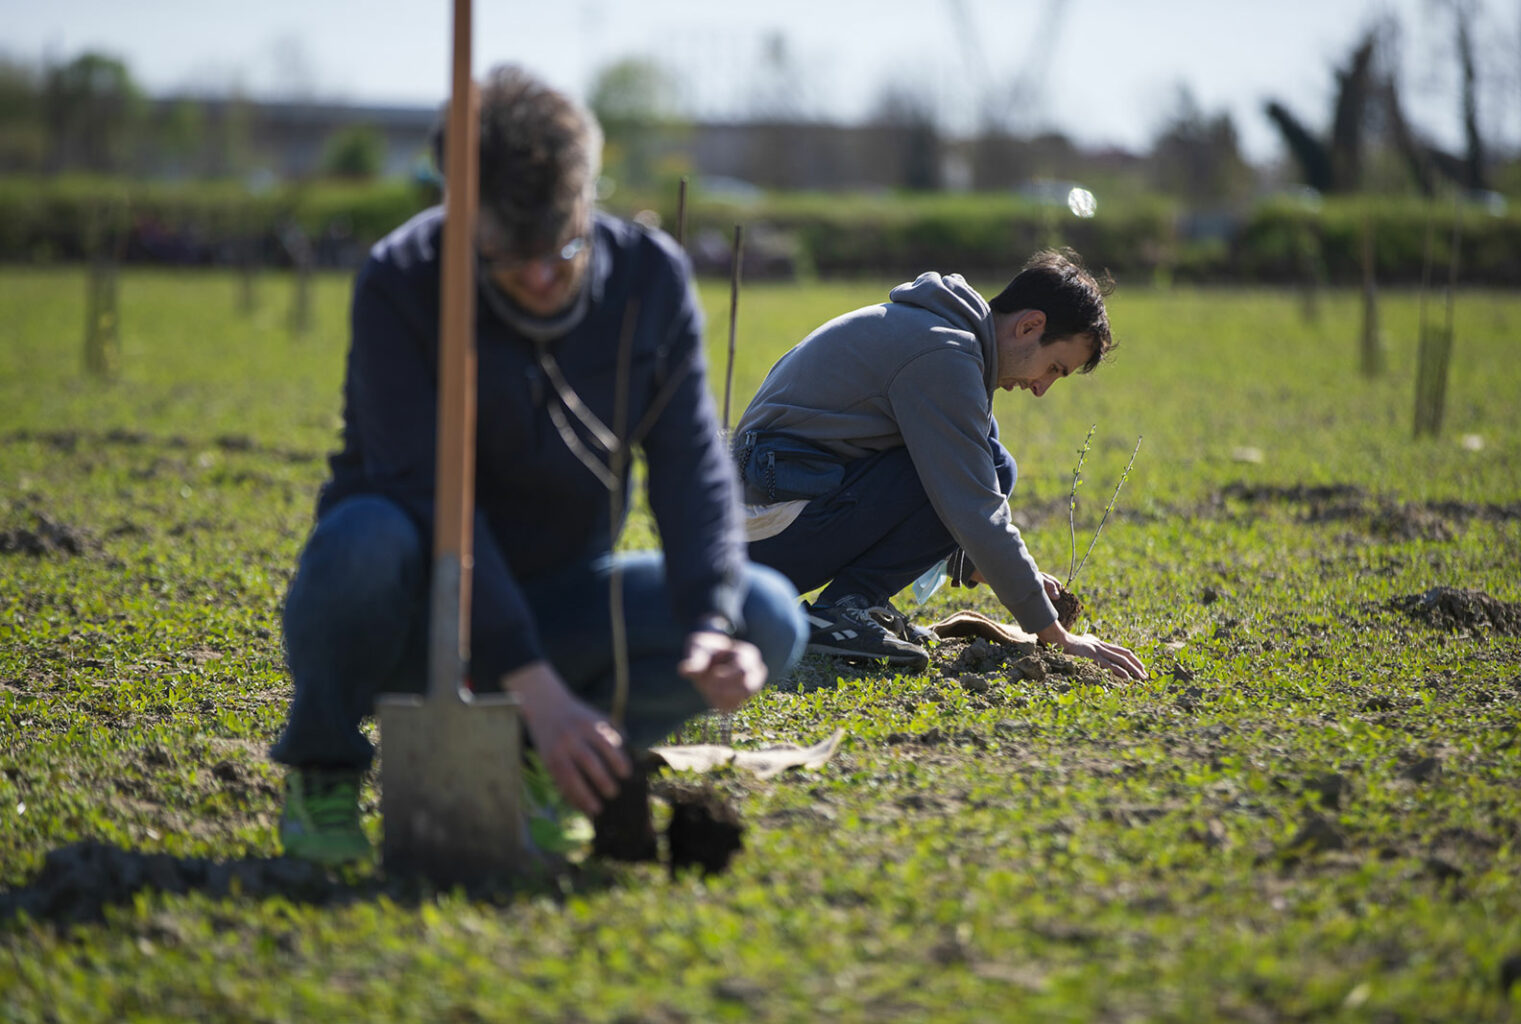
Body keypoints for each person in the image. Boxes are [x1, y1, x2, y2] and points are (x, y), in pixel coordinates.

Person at [270, 66, 806, 865]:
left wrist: (706, 621)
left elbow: (692, 468)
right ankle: (322, 769)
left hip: (562, 600)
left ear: (588, 198)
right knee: (362, 540)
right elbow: (424, 492)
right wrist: (532, 682)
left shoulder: (649, 281)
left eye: (562, 247)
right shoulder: (404, 281)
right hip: (415, 604)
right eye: (507, 258)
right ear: (461, 217)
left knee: (767, 613)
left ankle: (541, 762)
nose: (542, 276)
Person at [732, 250, 1147, 681]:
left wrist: (975, 564)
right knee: (989, 467)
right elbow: (973, 505)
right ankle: (843, 610)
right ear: (1030, 325)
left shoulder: (944, 338)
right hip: (753, 542)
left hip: (779, 518)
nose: (1041, 388)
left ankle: (850, 608)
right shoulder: (943, 353)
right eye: (1054, 368)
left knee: (991, 459)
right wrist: (1056, 635)